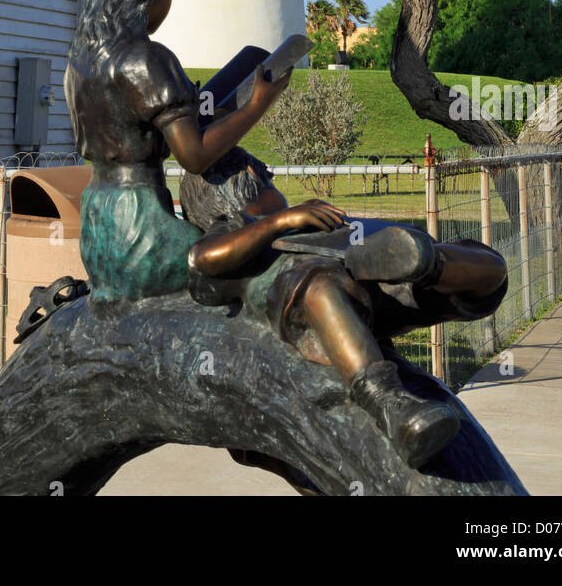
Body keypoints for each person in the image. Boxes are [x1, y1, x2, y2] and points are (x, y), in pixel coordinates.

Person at [179, 147, 508, 470]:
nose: (275, 187)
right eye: (269, 179)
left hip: (366, 282)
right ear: (251, 179)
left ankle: (434, 262)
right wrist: (281, 219)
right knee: (318, 284)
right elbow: (203, 258)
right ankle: (387, 402)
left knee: (479, 272)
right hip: (315, 299)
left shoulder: (304, 225)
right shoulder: (234, 224)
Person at [63, 0, 292, 303]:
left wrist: (202, 115)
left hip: (99, 227)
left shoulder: (81, 60)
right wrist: (256, 104)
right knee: (272, 269)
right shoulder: (147, 59)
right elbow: (195, 157)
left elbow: (134, 134)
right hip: (143, 230)